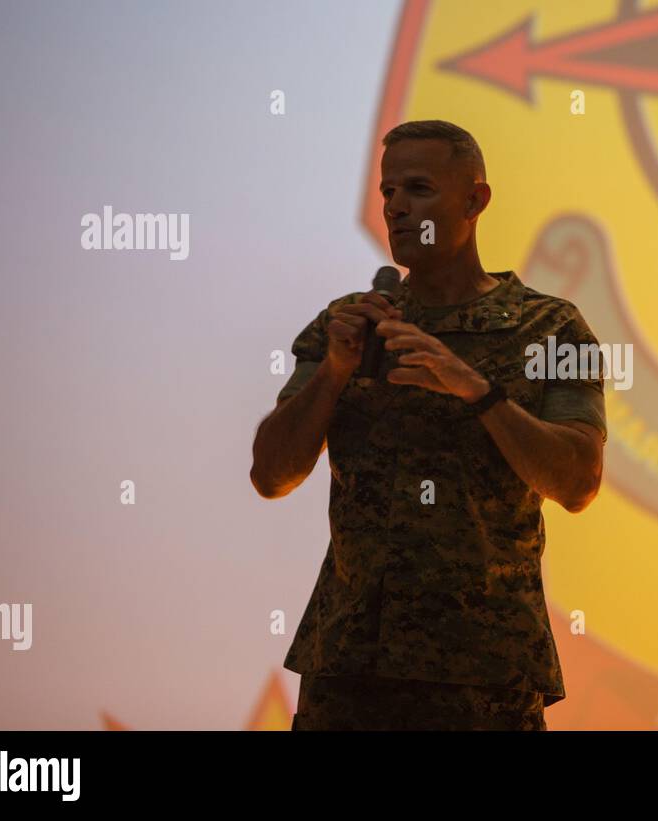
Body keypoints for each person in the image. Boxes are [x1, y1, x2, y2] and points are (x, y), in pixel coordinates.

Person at [250, 120, 607, 730]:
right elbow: (271, 475)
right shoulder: (346, 327)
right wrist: (333, 373)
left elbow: (578, 482)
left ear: (474, 201)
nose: (396, 208)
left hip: (485, 674)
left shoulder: (550, 328)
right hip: (347, 671)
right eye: (388, 193)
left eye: (417, 188)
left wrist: (475, 388)